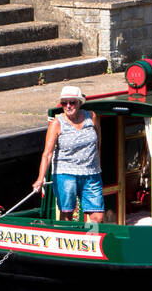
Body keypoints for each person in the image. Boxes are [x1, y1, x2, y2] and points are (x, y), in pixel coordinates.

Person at [33, 86, 104, 224]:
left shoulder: (92, 117)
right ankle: (66, 242)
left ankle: (92, 241)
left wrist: (98, 164)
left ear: (79, 103)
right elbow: (47, 154)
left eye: (72, 102)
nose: (68, 106)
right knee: (67, 214)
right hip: (66, 174)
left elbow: (99, 143)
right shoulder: (56, 124)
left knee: (97, 216)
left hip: (91, 173)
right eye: (64, 103)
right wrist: (40, 178)